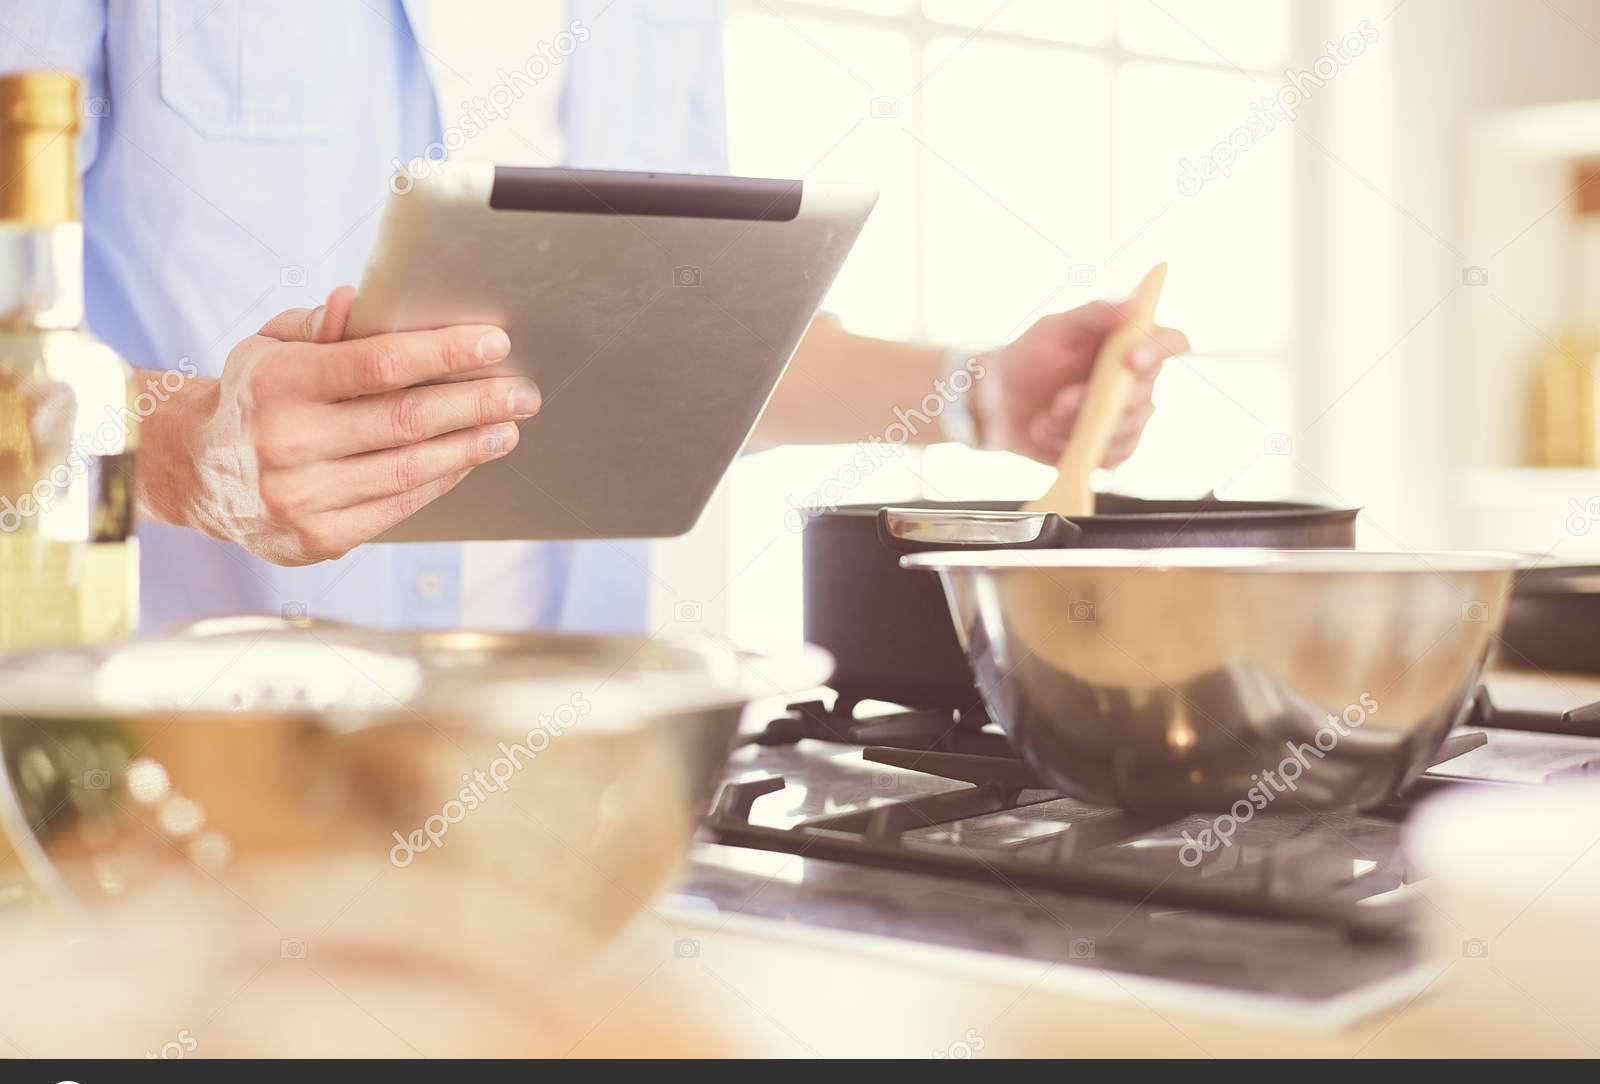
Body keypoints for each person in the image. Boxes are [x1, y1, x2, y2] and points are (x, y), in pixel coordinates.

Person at [0, 0, 1187, 633]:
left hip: (561, 761)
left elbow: (669, 350)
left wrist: (979, 387)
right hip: (172, 776)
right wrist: (178, 449)